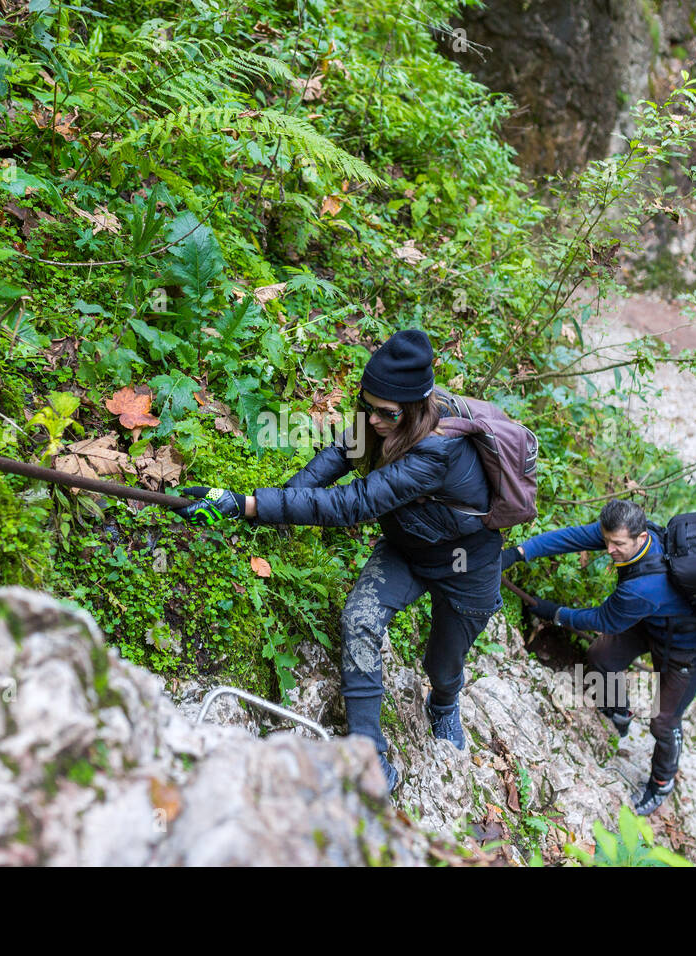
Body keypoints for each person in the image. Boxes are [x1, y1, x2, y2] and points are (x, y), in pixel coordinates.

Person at [171, 329, 502, 793]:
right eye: (366, 405)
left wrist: (248, 504)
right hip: (408, 548)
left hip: (468, 565)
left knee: (441, 666)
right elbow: (340, 454)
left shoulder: (437, 451)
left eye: (386, 412)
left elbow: (353, 505)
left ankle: (445, 705)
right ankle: (370, 756)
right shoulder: (385, 416)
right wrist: (281, 502)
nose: (373, 419)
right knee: (360, 619)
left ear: (417, 406)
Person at [502, 499, 696, 816]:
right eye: (606, 541)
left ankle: (662, 782)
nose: (609, 550)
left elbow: (601, 620)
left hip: (689, 646)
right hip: (654, 622)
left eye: (617, 544)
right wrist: (519, 553)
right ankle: (620, 712)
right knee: (602, 656)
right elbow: (572, 537)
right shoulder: (624, 534)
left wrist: (555, 613)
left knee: (664, 720)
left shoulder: (644, 587)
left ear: (642, 538)